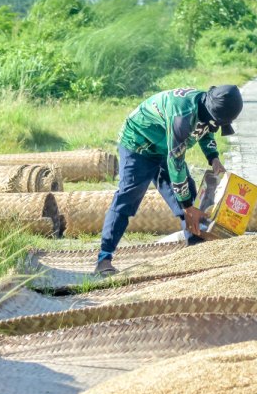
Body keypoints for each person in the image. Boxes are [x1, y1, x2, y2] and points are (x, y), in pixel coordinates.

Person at [95, 85, 243, 276]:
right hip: (139, 145)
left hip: (166, 147)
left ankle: (198, 251)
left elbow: (207, 130)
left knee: (189, 197)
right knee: (128, 198)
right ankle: (104, 258)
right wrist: (188, 206)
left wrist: (213, 157)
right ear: (212, 111)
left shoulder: (207, 105)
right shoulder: (182, 117)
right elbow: (176, 163)